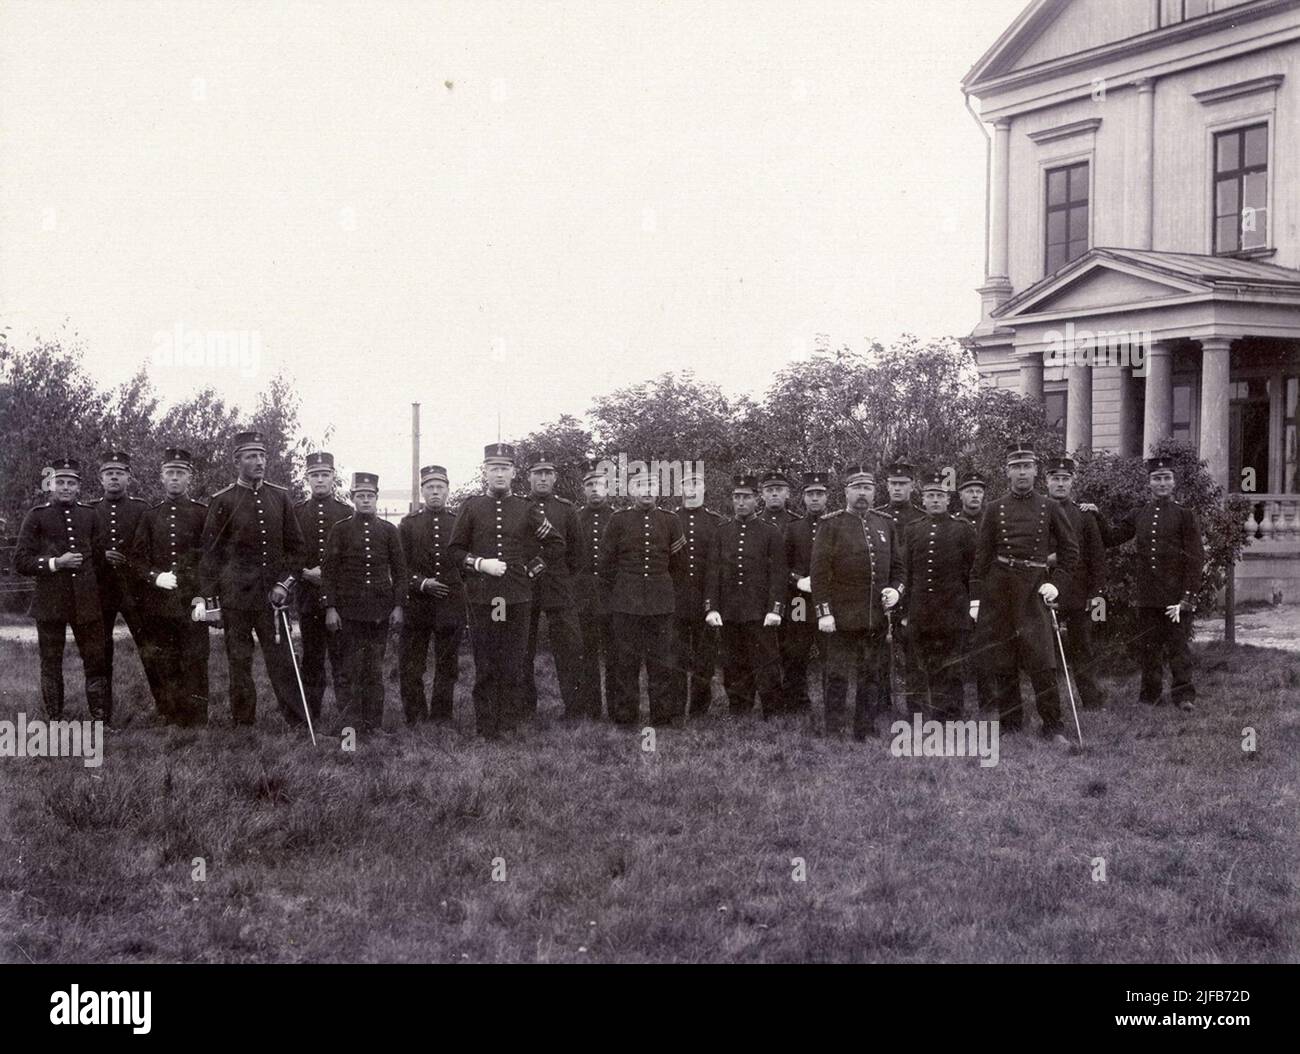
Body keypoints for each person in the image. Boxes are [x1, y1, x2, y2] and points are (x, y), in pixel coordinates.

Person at [448, 442, 562, 738]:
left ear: (513, 473)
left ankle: (509, 724)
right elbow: (455, 551)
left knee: (513, 662)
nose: (499, 474)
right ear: (485, 472)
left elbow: (555, 543)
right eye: (493, 468)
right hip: (484, 597)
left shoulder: (527, 508)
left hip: (517, 596)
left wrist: (531, 569)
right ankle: (486, 725)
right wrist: (480, 563)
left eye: (505, 468)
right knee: (485, 662)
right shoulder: (471, 507)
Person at [198, 430, 307, 727]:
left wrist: (284, 584)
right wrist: (213, 603)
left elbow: (297, 550)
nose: (259, 462)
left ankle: (298, 723)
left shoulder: (280, 497)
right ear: (237, 461)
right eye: (251, 456)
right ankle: (244, 726)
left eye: (262, 456)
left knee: (283, 663)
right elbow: (209, 556)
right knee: (239, 663)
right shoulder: (222, 500)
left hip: (273, 600)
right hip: (236, 600)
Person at [972, 441, 1078, 744]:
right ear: (1007, 472)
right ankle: (1010, 724)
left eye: (1027, 466)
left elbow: (1070, 551)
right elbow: (982, 557)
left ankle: (1052, 724)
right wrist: (977, 598)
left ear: (1035, 471)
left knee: (1042, 659)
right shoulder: (994, 509)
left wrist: (1055, 582)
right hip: (1000, 587)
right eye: (1016, 467)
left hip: (1034, 586)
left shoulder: (1050, 507)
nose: (1022, 473)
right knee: (1003, 659)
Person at [1092, 456, 1204, 712]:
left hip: (1175, 597)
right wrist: (1096, 515)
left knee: (1178, 647)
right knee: (1149, 648)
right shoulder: (1139, 514)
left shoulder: (1185, 516)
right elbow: (1112, 537)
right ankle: (1150, 696)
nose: (1162, 483)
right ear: (1149, 483)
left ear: (1174, 482)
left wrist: (1187, 598)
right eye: (1156, 478)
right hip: (1148, 595)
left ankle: (1184, 696)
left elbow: (1196, 558)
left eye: (1166, 478)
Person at [13, 458, 109, 721]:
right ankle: (55, 718)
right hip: (50, 602)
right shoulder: (37, 516)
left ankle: (101, 719)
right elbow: (21, 560)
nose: (65, 487)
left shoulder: (90, 515)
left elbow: (100, 559)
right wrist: (56, 563)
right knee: (51, 662)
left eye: (71, 483)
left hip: (86, 602)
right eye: (60, 482)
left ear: (79, 487)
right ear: (51, 485)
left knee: (95, 660)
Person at [811, 464, 903, 739]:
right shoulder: (830, 524)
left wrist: (896, 591)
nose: (863, 493)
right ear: (846, 492)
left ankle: (865, 727)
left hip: (874, 616)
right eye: (857, 488)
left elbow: (899, 568)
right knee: (837, 675)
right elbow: (818, 573)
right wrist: (824, 612)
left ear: (875, 492)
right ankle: (834, 728)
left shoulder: (885, 523)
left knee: (871, 674)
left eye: (868, 488)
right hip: (840, 616)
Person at [127, 448, 210, 725]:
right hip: (160, 601)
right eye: (170, 473)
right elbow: (137, 558)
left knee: (196, 658)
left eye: (180, 473)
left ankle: (197, 718)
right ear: (161, 478)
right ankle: (172, 715)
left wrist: (203, 596)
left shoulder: (202, 513)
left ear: (190, 478)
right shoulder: (150, 517)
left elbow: (211, 559)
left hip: (192, 600)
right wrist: (154, 576)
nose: (175, 478)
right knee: (166, 659)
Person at [600, 467, 686, 724]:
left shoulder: (671, 520)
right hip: (627, 603)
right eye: (640, 486)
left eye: (651, 486)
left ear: (658, 490)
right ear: (631, 490)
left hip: (661, 604)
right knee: (625, 663)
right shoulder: (618, 520)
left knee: (662, 663)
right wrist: (622, 592)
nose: (646, 491)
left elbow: (679, 566)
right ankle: (626, 717)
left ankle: (662, 717)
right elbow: (606, 564)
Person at [323, 473, 406, 734]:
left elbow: (400, 571)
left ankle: (373, 725)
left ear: (377, 498)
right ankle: (349, 726)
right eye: (361, 496)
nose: (366, 500)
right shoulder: (341, 529)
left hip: (379, 612)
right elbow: (329, 571)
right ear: (352, 499)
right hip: (348, 613)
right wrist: (331, 608)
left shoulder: (388, 530)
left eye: (370, 496)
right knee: (349, 670)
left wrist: (398, 606)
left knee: (373, 671)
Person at [704, 474, 786, 717]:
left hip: (760, 610)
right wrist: (712, 608)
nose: (741, 502)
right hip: (730, 611)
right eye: (737, 497)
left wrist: (775, 609)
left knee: (767, 662)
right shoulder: (722, 532)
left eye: (746, 497)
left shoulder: (770, 533)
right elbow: (712, 573)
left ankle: (773, 710)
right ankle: (739, 708)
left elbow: (778, 574)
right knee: (733, 663)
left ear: (756, 500)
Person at [89, 450, 157, 722]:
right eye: (109, 473)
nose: (114, 477)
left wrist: (129, 560)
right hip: (101, 591)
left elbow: (148, 548)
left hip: (135, 591)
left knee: (150, 649)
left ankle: (164, 709)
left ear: (129, 477)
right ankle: (103, 714)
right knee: (101, 652)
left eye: (119, 473)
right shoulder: (90, 510)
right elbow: (83, 548)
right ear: (101, 479)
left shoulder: (142, 509)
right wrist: (101, 555)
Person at [902, 472, 974, 721]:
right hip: (919, 609)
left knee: (951, 665)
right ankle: (917, 715)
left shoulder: (961, 529)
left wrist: (968, 604)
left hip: (952, 608)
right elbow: (907, 572)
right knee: (916, 665)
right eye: (930, 495)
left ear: (948, 500)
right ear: (923, 500)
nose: (935, 500)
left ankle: (950, 715)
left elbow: (971, 570)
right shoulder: (912, 530)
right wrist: (904, 611)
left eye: (940, 496)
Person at [398, 464, 466, 724]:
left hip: (450, 603)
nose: (435, 492)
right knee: (412, 664)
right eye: (430, 487)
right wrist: (422, 583)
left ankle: (441, 716)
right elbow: (400, 565)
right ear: (423, 491)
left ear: (448, 490)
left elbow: (465, 561)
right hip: (418, 604)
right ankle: (415, 716)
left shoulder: (458, 522)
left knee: (447, 664)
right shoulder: (408, 524)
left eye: (440, 487)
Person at [522, 451, 587, 718]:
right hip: (525, 587)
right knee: (523, 649)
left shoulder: (566, 509)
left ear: (555, 478)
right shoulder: (519, 506)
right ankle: (525, 709)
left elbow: (577, 554)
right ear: (528, 477)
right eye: (538, 473)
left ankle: (575, 709)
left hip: (559, 588)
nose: (543, 478)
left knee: (569, 649)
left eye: (548, 473)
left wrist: (559, 576)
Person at [1043, 456, 1107, 711]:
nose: (1060, 484)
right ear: (1046, 481)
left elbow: (1097, 557)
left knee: (1083, 649)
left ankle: (1091, 701)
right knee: (1046, 654)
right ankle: (1050, 704)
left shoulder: (1084, 516)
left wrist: (1095, 593)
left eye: (1065, 479)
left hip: (1079, 594)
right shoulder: (1038, 511)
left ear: (1072, 482)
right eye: (1055, 478)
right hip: (1046, 591)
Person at [293, 451, 352, 722]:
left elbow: (353, 557)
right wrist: (305, 573)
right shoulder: (296, 513)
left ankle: (347, 715)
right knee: (312, 660)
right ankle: (311, 716)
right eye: (314, 475)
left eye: (324, 475)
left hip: (339, 601)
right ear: (307, 479)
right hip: (307, 597)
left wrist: (326, 574)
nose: (320, 480)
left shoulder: (345, 513)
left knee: (342, 660)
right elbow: (288, 554)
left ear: (332, 478)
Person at [672, 465, 722, 717]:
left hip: (706, 600)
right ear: (680, 489)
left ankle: (700, 709)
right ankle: (676, 705)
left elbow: (719, 566)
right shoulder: (670, 519)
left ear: (704, 489)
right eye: (687, 485)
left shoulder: (715, 522)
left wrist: (713, 603)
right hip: (676, 600)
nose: (692, 490)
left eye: (696, 485)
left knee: (705, 659)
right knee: (676, 657)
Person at [782, 470, 830, 714]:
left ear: (827, 497)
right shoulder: (793, 528)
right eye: (810, 494)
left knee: (831, 655)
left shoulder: (836, 525)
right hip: (800, 601)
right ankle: (797, 702)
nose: (814, 499)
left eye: (819, 494)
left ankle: (832, 703)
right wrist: (798, 580)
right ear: (802, 497)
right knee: (796, 653)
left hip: (829, 603)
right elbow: (783, 565)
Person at [573, 458, 614, 719]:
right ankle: (590, 709)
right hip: (584, 597)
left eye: (599, 484)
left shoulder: (619, 518)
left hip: (613, 597)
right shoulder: (575, 518)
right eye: (590, 485)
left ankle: (618, 707)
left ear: (608, 488)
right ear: (583, 489)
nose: (595, 489)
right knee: (586, 654)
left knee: (616, 656)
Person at [954, 469, 994, 713]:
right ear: (961, 495)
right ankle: (954, 705)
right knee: (958, 648)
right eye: (970, 491)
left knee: (987, 647)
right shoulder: (954, 523)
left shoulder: (991, 521)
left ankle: (988, 703)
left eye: (979, 491)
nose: (975, 496)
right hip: (959, 593)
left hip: (987, 592)